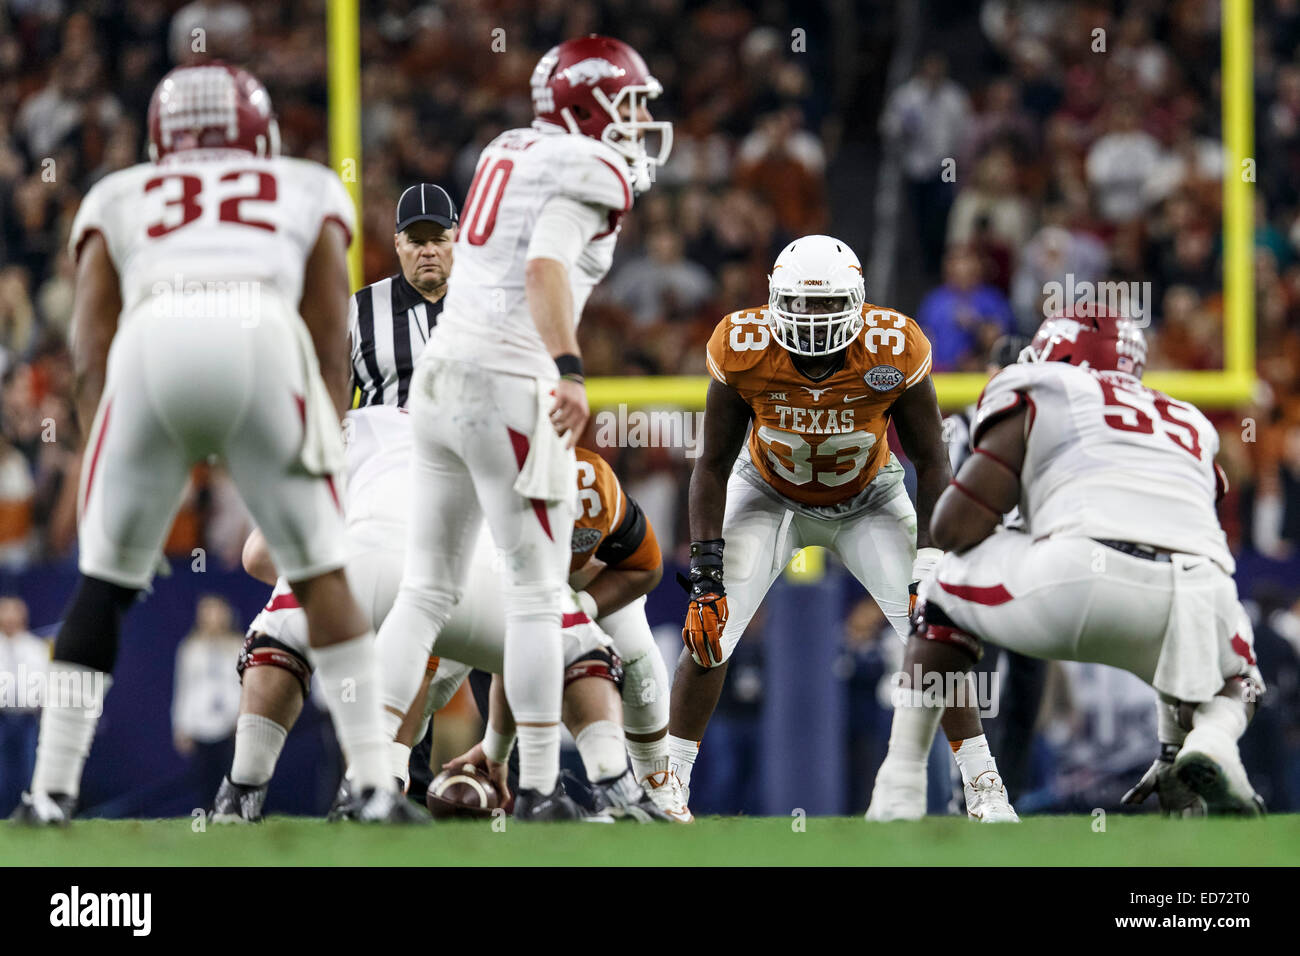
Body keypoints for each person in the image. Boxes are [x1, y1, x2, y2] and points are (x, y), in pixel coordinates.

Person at [13, 63, 416, 825]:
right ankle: (372, 787)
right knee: (324, 576)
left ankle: (48, 793)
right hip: (261, 336)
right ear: (255, 134)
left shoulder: (118, 193)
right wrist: (319, 447)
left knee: (99, 587)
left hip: (148, 345)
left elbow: (91, 342)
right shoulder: (304, 184)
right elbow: (332, 337)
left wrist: (115, 453)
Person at [371, 34, 672, 820]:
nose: (639, 123)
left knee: (426, 588)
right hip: (506, 382)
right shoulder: (594, 168)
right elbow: (543, 268)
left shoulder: (511, 145)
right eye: (631, 105)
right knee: (538, 596)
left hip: (438, 380)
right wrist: (570, 370)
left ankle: (367, 782)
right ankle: (539, 789)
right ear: (590, 105)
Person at [671, 234, 1018, 822]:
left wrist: (929, 564)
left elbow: (933, 462)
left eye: (827, 305)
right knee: (710, 632)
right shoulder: (742, 345)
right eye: (802, 305)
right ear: (775, 300)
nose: (812, 320)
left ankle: (984, 787)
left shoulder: (893, 347)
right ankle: (666, 786)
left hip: (868, 499)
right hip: (768, 496)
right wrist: (706, 577)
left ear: (856, 301)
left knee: (937, 630)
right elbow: (710, 465)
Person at [867, 311, 1265, 819]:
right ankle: (1213, 740)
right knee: (1240, 674)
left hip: (1078, 579)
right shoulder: (1189, 420)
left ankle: (899, 786)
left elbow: (957, 527)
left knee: (940, 580)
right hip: (1194, 598)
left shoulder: (1039, 384)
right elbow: (1189, 527)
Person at [217, 407, 667, 824]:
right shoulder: (514, 448)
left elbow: (256, 556)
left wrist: (326, 586)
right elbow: (528, 636)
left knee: (284, 630)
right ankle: (608, 790)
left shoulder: (351, 423)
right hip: (484, 583)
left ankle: (270, 794)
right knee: (571, 647)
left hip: (387, 570)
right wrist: (497, 748)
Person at [171, 595, 242, 810]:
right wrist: (181, 726)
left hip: (231, 722)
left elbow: (246, 685)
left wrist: (243, 717)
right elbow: (183, 687)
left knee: (236, 773)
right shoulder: (190, 648)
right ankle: (209, 815)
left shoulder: (240, 645)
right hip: (201, 724)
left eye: (216, 611)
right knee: (206, 778)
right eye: (206, 612)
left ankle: (238, 814)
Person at [0, 597, 47, 815]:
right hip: (2, 716)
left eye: (13, 612)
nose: (9, 618)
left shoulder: (36, 647)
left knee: (28, 770)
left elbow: (46, 681)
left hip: (28, 718)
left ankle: (26, 812)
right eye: (5, 612)